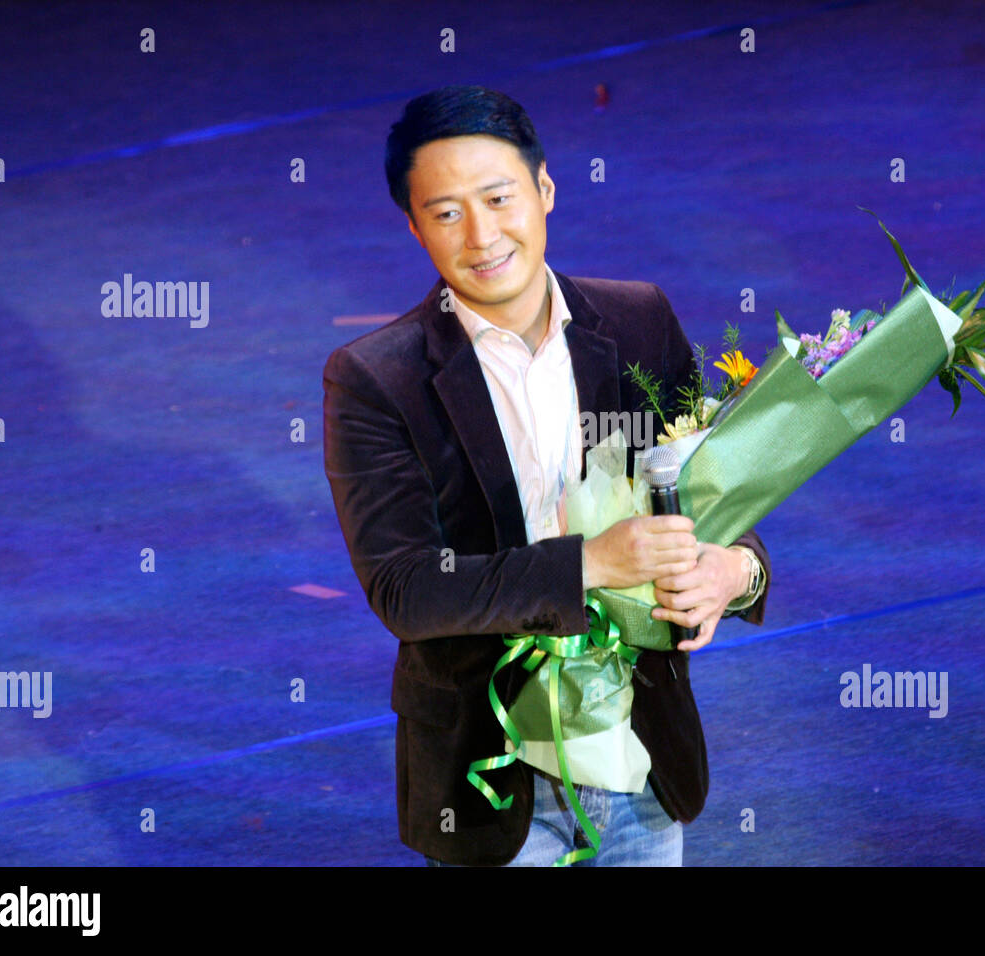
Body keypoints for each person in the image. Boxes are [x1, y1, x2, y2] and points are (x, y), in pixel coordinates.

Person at [322, 85, 771, 866]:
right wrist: (595, 563)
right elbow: (406, 590)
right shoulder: (374, 379)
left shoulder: (638, 320)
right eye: (447, 212)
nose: (483, 234)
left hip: (641, 754)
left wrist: (740, 570)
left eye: (499, 197)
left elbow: (703, 491)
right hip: (489, 779)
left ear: (545, 189)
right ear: (415, 226)